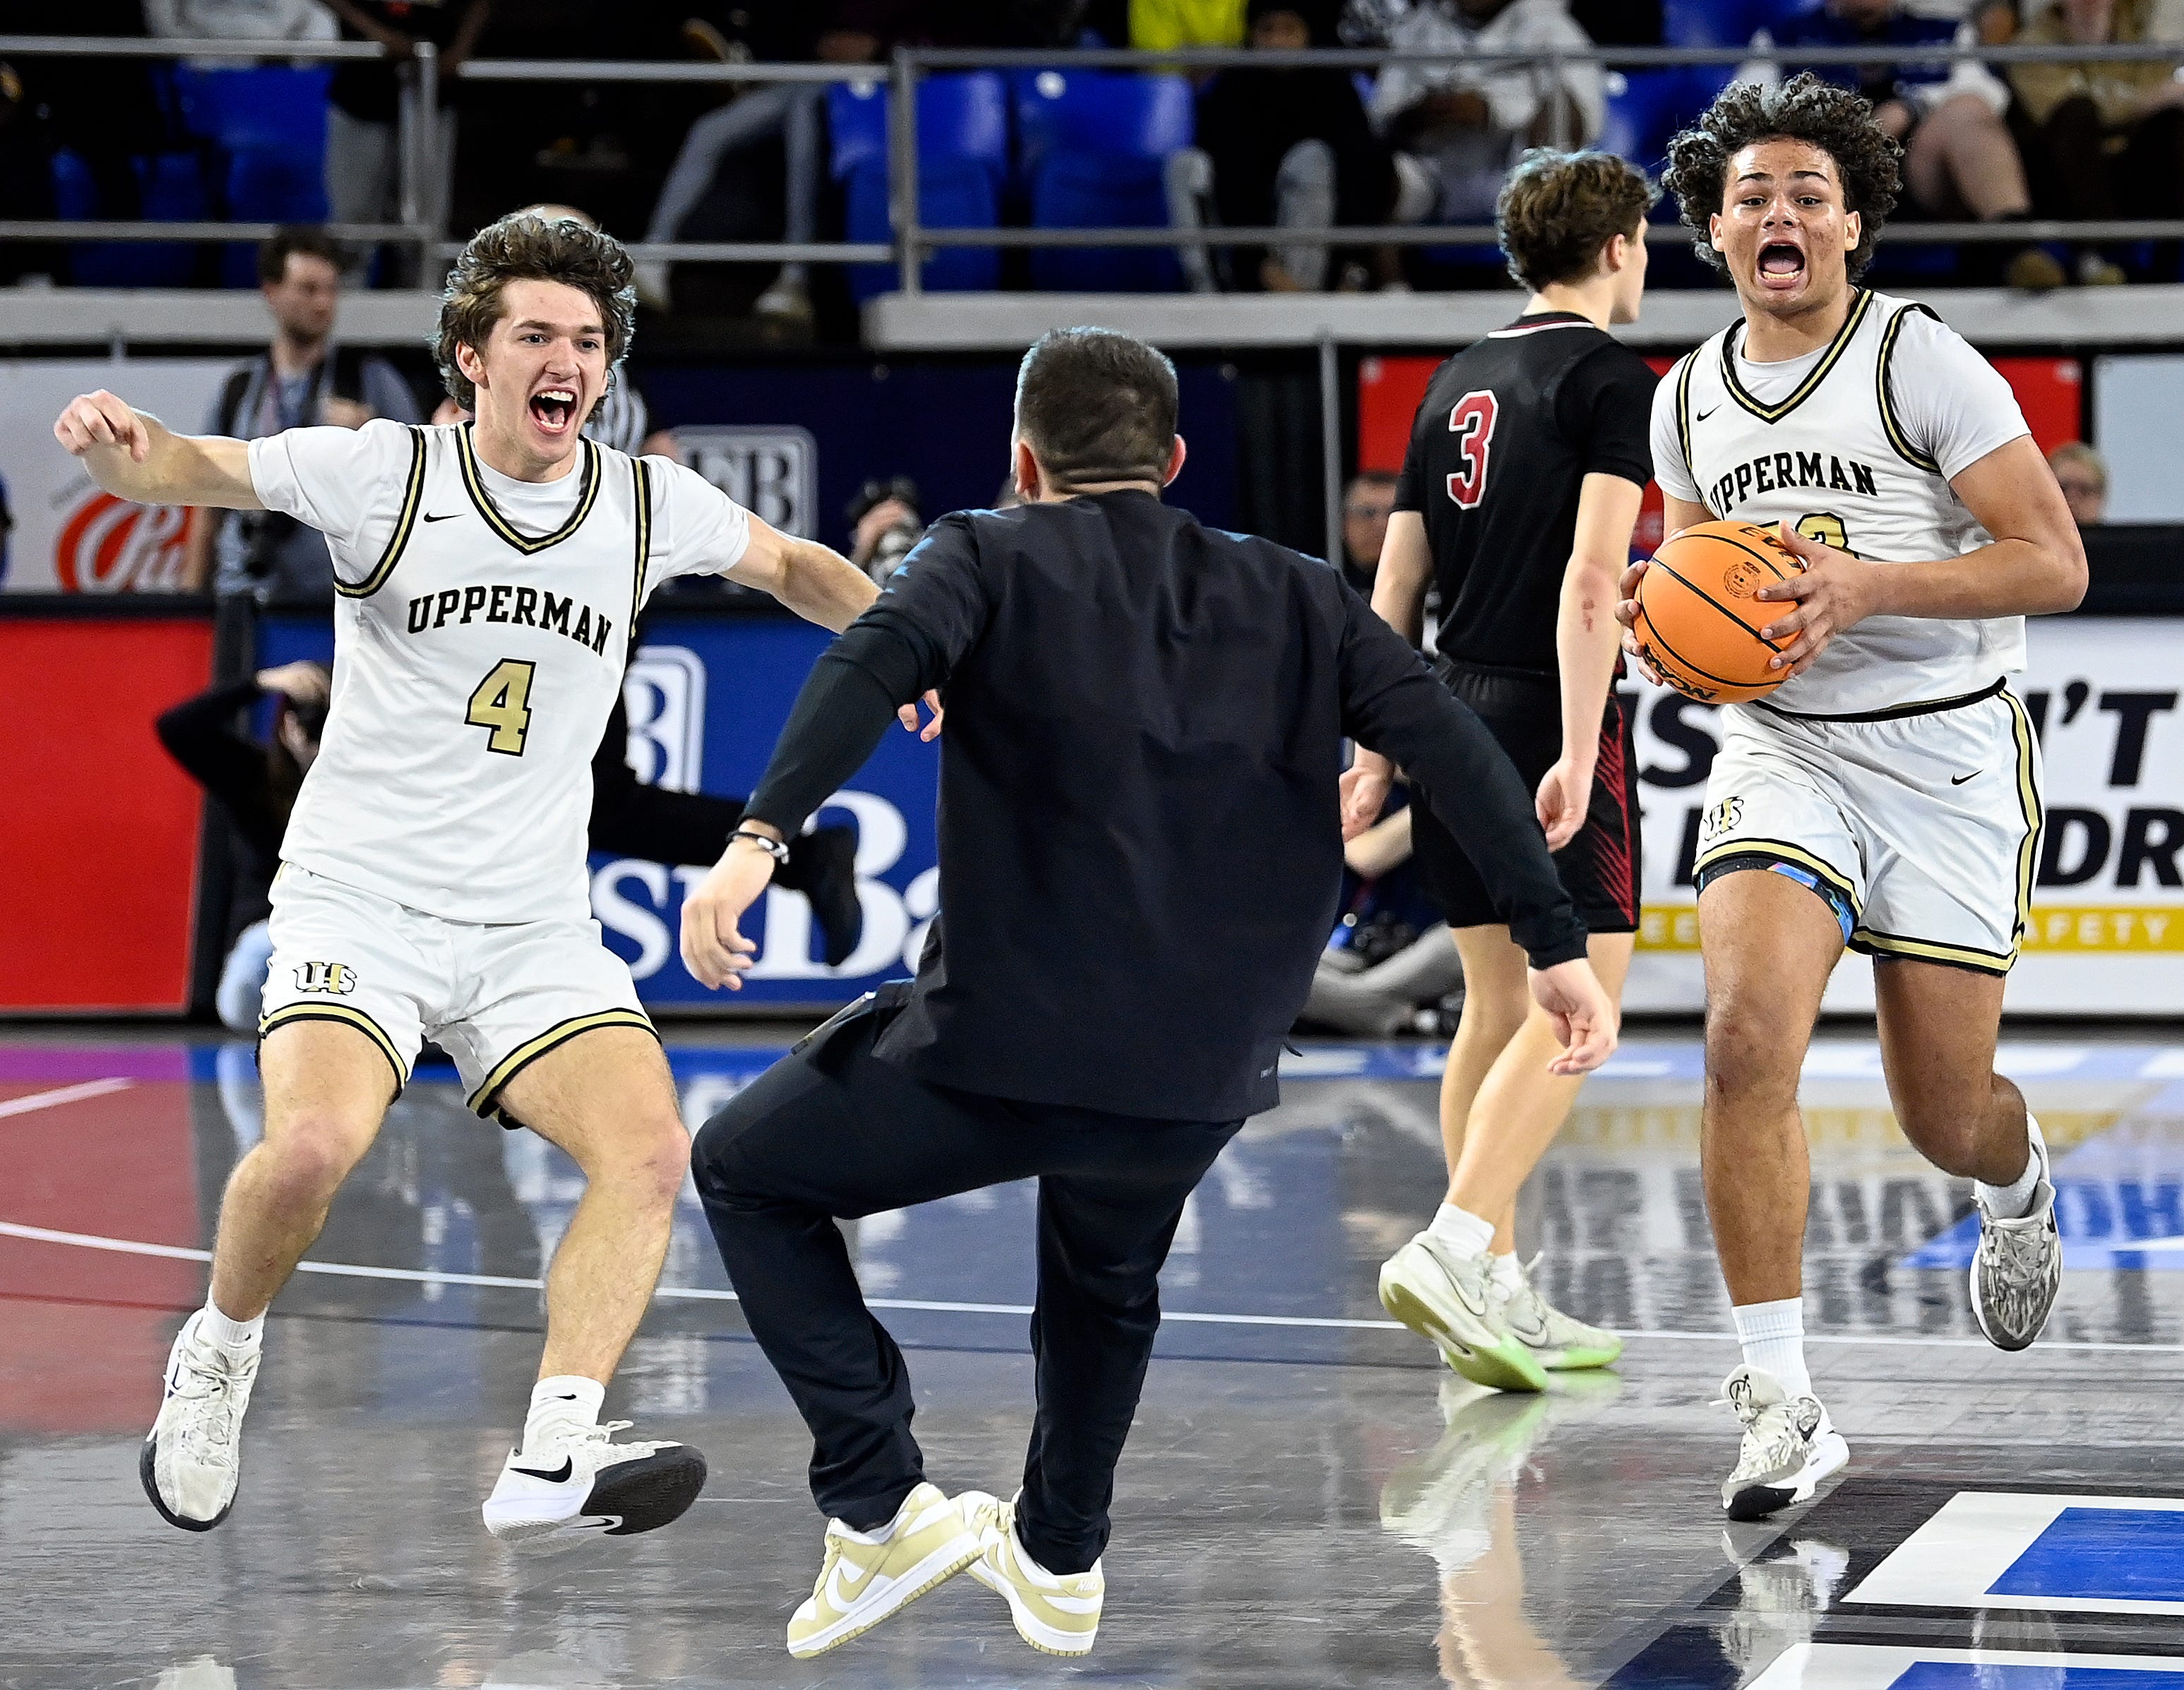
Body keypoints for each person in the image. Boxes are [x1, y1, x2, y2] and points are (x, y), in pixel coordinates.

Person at [679, 326, 1618, 1660]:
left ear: (1023, 461)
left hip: (995, 1047)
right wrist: (1552, 939)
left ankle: (880, 1499)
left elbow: (864, 663)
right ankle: (1060, 1553)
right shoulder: (1299, 590)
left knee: (747, 1168)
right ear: (1172, 460)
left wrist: (759, 840)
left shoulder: (982, 552)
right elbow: (1452, 747)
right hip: (1199, 1072)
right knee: (1103, 1277)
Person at [53, 210, 890, 1545]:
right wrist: (121, 444)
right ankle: (217, 1349)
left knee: (651, 1151)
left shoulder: (638, 502)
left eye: (591, 341)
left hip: (529, 924)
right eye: (539, 335)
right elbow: (192, 466)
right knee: (314, 1146)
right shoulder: (380, 473)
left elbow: (791, 566)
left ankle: (555, 1445)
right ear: (471, 356)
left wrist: (908, 639)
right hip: (358, 900)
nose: (570, 359)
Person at [1640, 73, 2085, 1518]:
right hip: (1789, 755)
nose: (1781, 215)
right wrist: (1681, 648)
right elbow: (1695, 589)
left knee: (1939, 1115)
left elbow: (2051, 562)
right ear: (1714, 231)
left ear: (1850, 229)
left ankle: (2012, 1186)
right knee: (1737, 1043)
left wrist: (1866, 584)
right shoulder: (1688, 398)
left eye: (1809, 196)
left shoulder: (1921, 364)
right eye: (1753, 196)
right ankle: (1780, 1403)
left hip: (1947, 756)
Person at [1354, 148, 1657, 1394]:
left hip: (1441, 704)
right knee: (1585, 1005)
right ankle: (1459, 1238)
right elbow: (1591, 582)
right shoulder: (1607, 378)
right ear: (1619, 246)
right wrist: (1583, 749)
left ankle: (1500, 1289)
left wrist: (1372, 748)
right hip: (1541, 707)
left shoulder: (1453, 379)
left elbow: (1394, 584)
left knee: (1496, 1007)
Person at [184, 227, 422, 603]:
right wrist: (187, 605)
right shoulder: (240, 388)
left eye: (331, 290)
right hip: (240, 593)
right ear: (272, 293)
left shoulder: (369, 381)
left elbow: (418, 490)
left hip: (330, 601)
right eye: (309, 289)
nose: (323, 303)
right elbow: (206, 506)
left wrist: (370, 443)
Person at [1751, 0, 2058, 290]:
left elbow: (1988, 91)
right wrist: (1818, 111)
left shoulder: (1944, 33)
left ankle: (2020, 250)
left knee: (1969, 113)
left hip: (1920, 171)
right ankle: (1766, 259)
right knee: (1767, 141)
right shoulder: (1784, 39)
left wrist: (1913, 105)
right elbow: (1743, 103)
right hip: (1827, 178)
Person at [1164, 0, 1395, 294]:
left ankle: (1296, 312)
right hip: (1244, 258)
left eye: (1289, 30)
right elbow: (1230, 184)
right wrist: (1260, 266)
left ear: (1308, 34)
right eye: (1267, 30)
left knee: (1312, 158)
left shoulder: (1334, 89)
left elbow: (1363, 177)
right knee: (1184, 166)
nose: (1276, 42)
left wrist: (1353, 270)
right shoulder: (1230, 91)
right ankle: (1208, 304)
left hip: (1319, 272)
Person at [155, 661, 333, 1035]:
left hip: (342, 944)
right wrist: (258, 683)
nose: (319, 742)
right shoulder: (255, 777)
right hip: (270, 943)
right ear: (288, 728)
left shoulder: (372, 790)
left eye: (330, 729)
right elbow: (177, 727)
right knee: (266, 945)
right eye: (312, 727)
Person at [1369, 0, 1604, 252]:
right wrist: (1423, 113)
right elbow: (1381, 118)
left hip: (1507, 170)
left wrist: (1490, 110)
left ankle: (1524, 283)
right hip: (1434, 172)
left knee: (1550, 158)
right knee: (1370, 169)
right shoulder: (1422, 27)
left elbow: (1581, 123)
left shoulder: (1552, 28)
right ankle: (1391, 288)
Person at [2009, 0, 2184, 287]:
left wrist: (2147, 102)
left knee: (2173, 123)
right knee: (2076, 115)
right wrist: (2145, 100)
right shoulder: (2031, 44)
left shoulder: (2141, 40)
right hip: (2062, 178)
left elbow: (2166, 97)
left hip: (2129, 169)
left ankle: (2171, 255)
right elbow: (2053, 108)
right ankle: (2102, 255)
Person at [318, 0, 491, 273]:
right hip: (361, 92)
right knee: (352, 225)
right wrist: (378, 34)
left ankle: (427, 305)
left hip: (433, 91)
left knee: (427, 229)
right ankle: (341, 308)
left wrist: (462, 48)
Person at [1343, 467, 1398, 594]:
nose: (1381, 524)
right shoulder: (1320, 592)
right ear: (1346, 523)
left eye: (1393, 513)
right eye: (1367, 513)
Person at [2048, 439, 2108, 525]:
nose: (2072, 500)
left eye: (2084, 490)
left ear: (2100, 496)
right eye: (2062, 489)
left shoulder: (2120, 538)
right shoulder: (2027, 537)